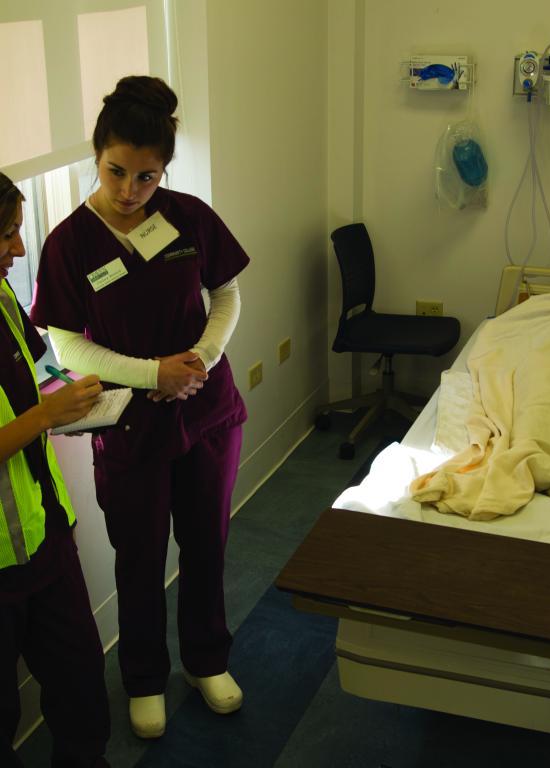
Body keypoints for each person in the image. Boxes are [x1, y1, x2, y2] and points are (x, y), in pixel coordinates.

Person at [31, 76, 250, 739]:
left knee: (207, 544)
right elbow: (66, 341)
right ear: (96, 157)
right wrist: (151, 372)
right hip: (130, 425)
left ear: (165, 171)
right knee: (139, 556)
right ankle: (145, 677)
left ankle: (207, 659)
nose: (130, 191)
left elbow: (227, 293)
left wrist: (202, 361)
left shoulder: (186, 216)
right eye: (117, 172)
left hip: (205, 412)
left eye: (147, 177)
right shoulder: (70, 242)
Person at [0, 173, 111, 767]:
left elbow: (41, 367)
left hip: (46, 534)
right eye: (7, 234)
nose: (19, 249)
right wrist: (45, 416)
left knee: (81, 691)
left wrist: (77, 394)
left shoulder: (1, 297)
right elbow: (31, 414)